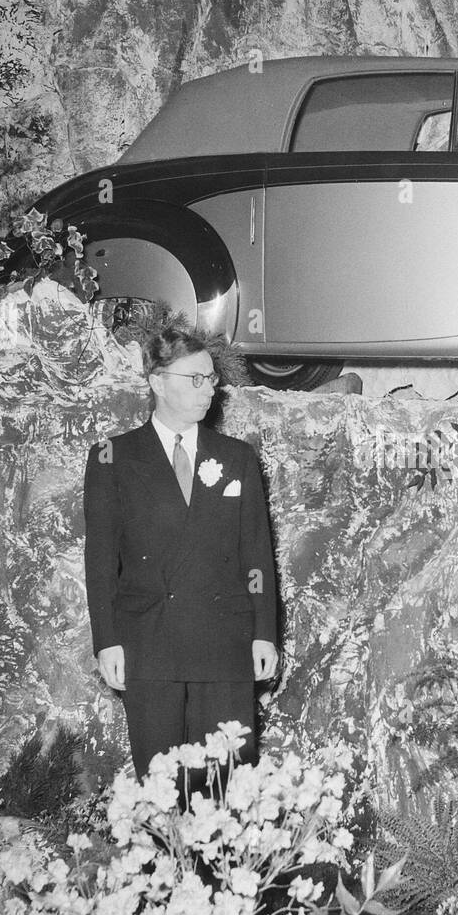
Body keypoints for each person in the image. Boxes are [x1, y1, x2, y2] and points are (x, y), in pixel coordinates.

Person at [83, 326, 279, 790]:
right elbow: (101, 561)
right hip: (149, 645)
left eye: (211, 379)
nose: (209, 389)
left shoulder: (238, 457)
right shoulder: (112, 457)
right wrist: (107, 641)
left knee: (227, 788)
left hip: (226, 645)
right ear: (157, 381)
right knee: (160, 789)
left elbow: (257, 555)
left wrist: (264, 634)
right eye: (196, 379)